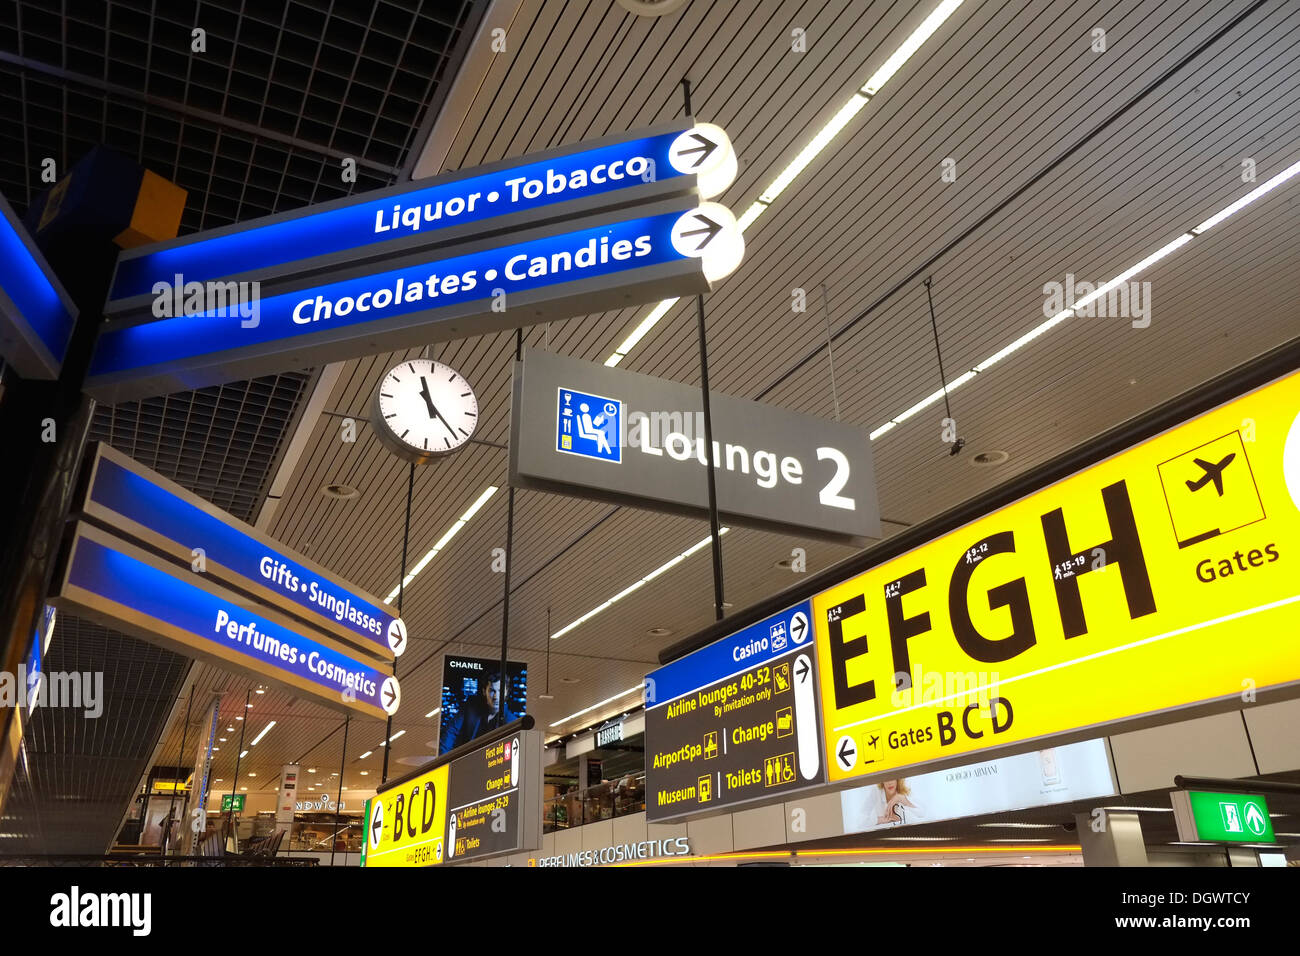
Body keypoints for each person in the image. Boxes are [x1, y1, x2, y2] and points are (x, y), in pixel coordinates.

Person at [440, 672, 513, 753]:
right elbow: (450, 732)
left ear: (506, 693)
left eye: (500, 691)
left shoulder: (511, 721)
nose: (496, 696)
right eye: (492, 691)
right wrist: (444, 761)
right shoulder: (471, 706)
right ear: (484, 692)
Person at [841, 778, 924, 832]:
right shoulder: (876, 791)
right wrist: (880, 820)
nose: (890, 782)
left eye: (893, 778)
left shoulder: (903, 791)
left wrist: (902, 799)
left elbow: (922, 814)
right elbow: (859, 821)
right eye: (886, 778)